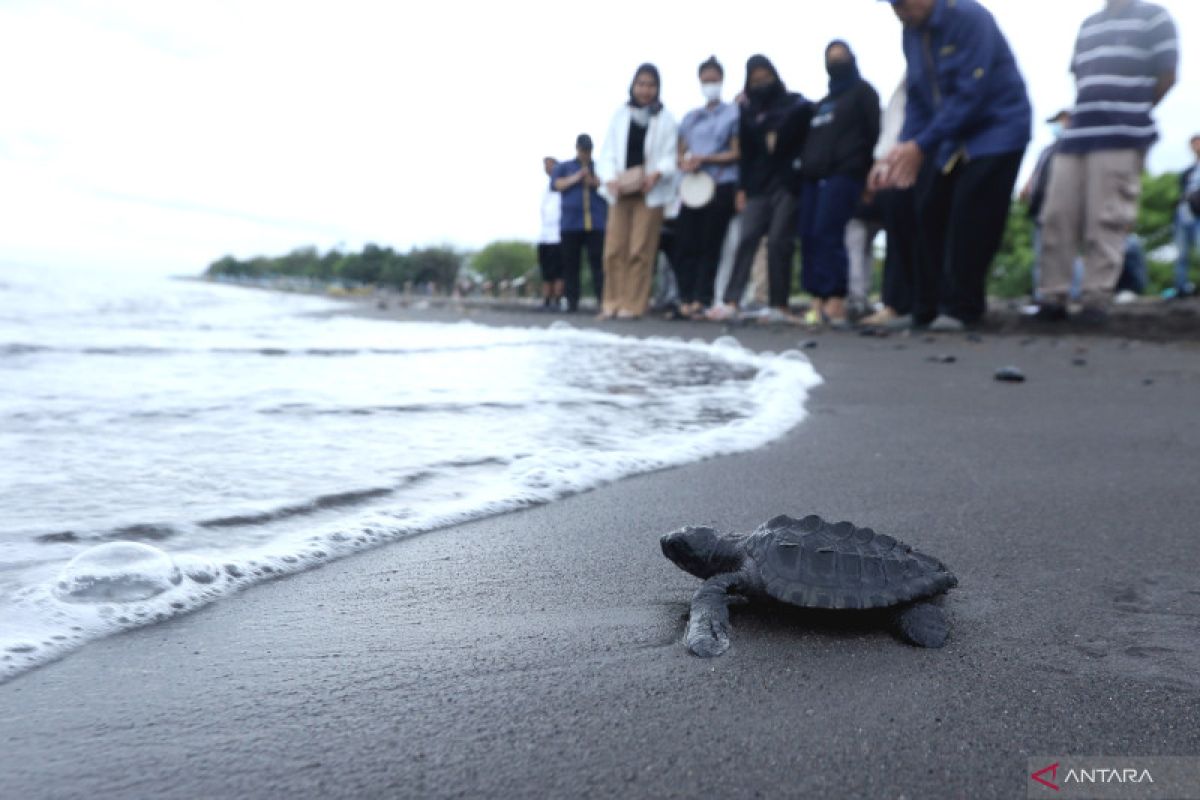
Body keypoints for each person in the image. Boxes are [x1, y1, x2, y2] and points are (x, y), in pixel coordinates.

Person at [873, 0, 1032, 332]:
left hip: (996, 130)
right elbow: (917, 98)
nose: (897, 9)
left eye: (901, 2)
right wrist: (904, 147)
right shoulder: (912, 33)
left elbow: (971, 93)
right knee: (926, 206)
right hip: (949, 136)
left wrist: (922, 144)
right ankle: (925, 307)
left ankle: (963, 307)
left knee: (971, 212)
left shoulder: (970, 17)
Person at [1035, 0, 1178, 325]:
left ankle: (1095, 299)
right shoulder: (1089, 25)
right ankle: (1052, 296)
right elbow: (1080, 76)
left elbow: (1168, 74)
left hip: (1122, 134)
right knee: (1057, 215)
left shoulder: (1154, 18)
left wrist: (1132, 111)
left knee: (1107, 217)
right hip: (1079, 133)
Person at [708, 55, 811, 323]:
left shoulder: (796, 106)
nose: (761, 83)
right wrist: (742, 189)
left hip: (787, 183)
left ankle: (780, 305)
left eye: (766, 77)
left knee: (779, 241)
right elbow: (746, 155)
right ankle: (731, 300)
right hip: (757, 185)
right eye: (755, 80)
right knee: (747, 237)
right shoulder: (748, 113)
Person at [797, 40, 880, 328]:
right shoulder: (822, 104)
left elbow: (873, 134)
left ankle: (835, 299)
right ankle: (816, 297)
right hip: (812, 178)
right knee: (809, 235)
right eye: (831, 59)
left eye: (841, 58)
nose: (836, 62)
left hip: (845, 174)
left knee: (829, 233)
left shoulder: (864, 93)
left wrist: (870, 175)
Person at [595, 63, 679, 320]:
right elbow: (607, 152)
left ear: (658, 88)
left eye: (651, 84)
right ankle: (611, 301)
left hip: (650, 192)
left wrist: (656, 174)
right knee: (614, 249)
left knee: (640, 250)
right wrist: (609, 179)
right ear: (633, 86)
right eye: (641, 84)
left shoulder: (665, 119)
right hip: (620, 190)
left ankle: (633, 304)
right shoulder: (620, 115)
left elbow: (670, 156)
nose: (645, 90)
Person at [674, 56, 740, 319]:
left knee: (709, 245)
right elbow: (679, 152)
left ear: (721, 81)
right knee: (686, 243)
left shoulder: (731, 113)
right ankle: (685, 297)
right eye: (705, 80)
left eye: (714, 79)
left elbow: (736, 152)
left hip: (720, 184)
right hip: (692, 188)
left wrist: (706, 159)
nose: (709, 84)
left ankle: (703, 298)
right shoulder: (691, 118)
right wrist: (686, 162)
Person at [861, 78, 918, 329]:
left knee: (911, 234)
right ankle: (894, 303)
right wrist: (879, 162)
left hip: (915, 158)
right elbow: (890, 128)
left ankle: (907, 303)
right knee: (896, 233)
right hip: (893, 164)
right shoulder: (904, 83)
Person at [1020, 111, 1078, 300]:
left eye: (1062, 120)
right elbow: (1038, 175)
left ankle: (1072, 294)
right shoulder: (1048, 150)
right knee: (1043, 253)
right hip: (1041, 208)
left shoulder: (1074, 149)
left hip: (1065, 209)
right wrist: (1028, 187)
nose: (1059, 125)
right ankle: (1043, 296)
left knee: (1065, 253)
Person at [551, 135, 608, 313]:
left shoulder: (600, 167)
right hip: (570, 224)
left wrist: (592, 181)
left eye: (588, 150)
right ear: (577, 148)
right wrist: (576, 177)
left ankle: (603, 301)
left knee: (598, 264)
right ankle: (572, 303)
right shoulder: (564, 167)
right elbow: (556, 185)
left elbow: (607, 186)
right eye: (583, 150)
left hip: (596, 223)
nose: (586, 154)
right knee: (571, 265)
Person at [1171, 135, 1200, 298]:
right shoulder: (1188, 172)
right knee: (1181, 254)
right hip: (1184, 214)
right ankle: (1181, 288)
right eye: (1193, 144)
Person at [537, 157, 564, 310]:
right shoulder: (546, 188)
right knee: (546, 270)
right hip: (544, 235)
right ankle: (547, 300)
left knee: (559, 271)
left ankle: (558, 300)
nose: (546, 168)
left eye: (549, 165)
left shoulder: (562, 186)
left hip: (558, 234)